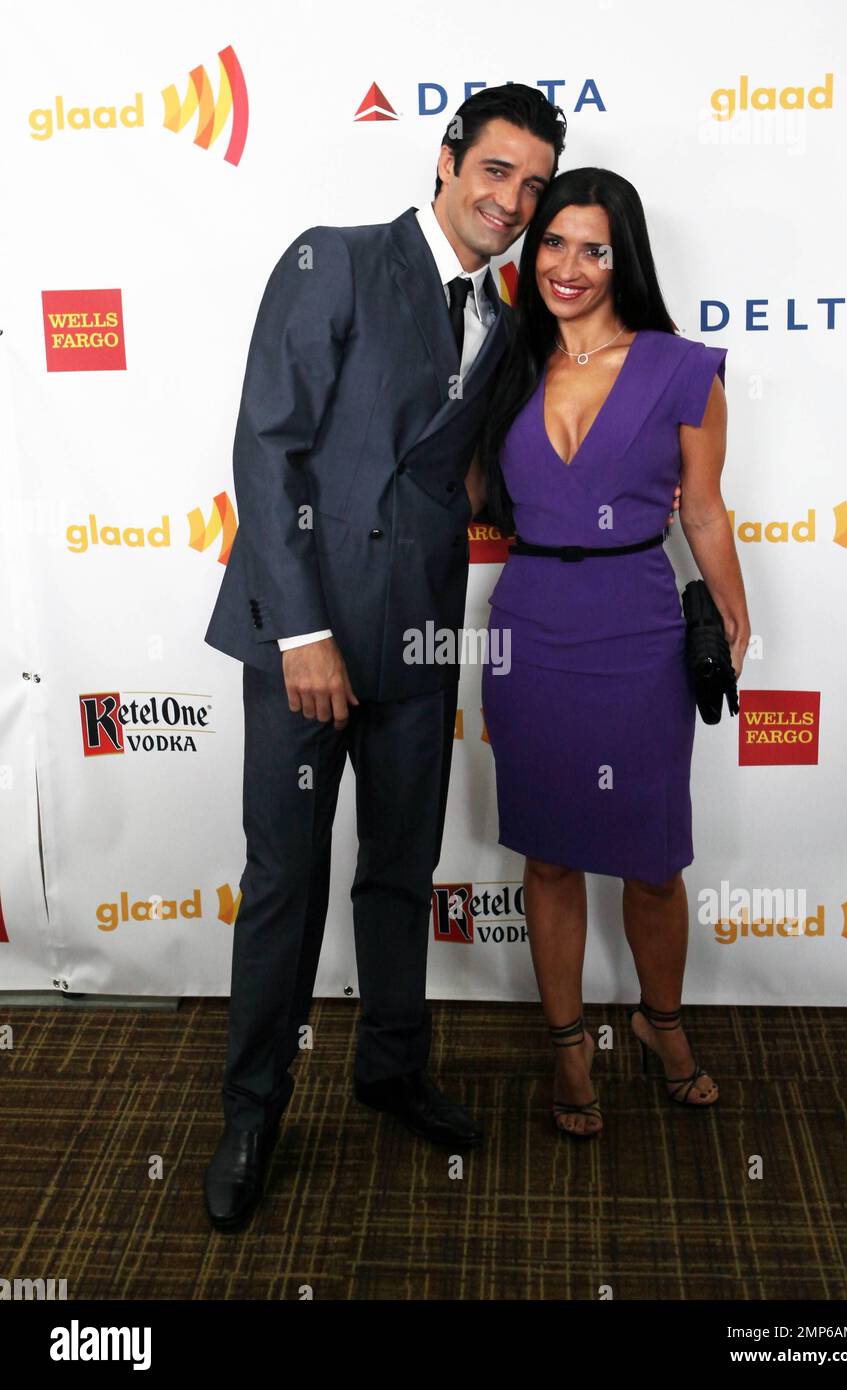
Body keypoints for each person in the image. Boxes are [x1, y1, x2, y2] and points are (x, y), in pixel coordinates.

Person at [200, 85, 569, 1231]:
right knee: (285, 879)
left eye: (534, 186)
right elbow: (268, 449)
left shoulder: (502, 318)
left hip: (419, 634)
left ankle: (392, 1064)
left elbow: (463, 475)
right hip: (307, 635)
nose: (512, 201)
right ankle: (253, 1109)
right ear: (447, 159)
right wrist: (302, 633)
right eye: (497, 171)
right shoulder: (338, 261)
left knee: (402, 867)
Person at [473, 167, 751, 1138]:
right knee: (549, 855)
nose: (568, 265)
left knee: (652, 859)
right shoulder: (503, 362)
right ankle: (567, 1045)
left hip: (637, 630)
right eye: (552, 242)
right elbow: (465, 489)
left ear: (622, 257)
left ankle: (658, 1021)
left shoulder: (681, 367)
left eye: (594, 248)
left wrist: (735, 613)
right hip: (530, 628)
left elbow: (704, 510)